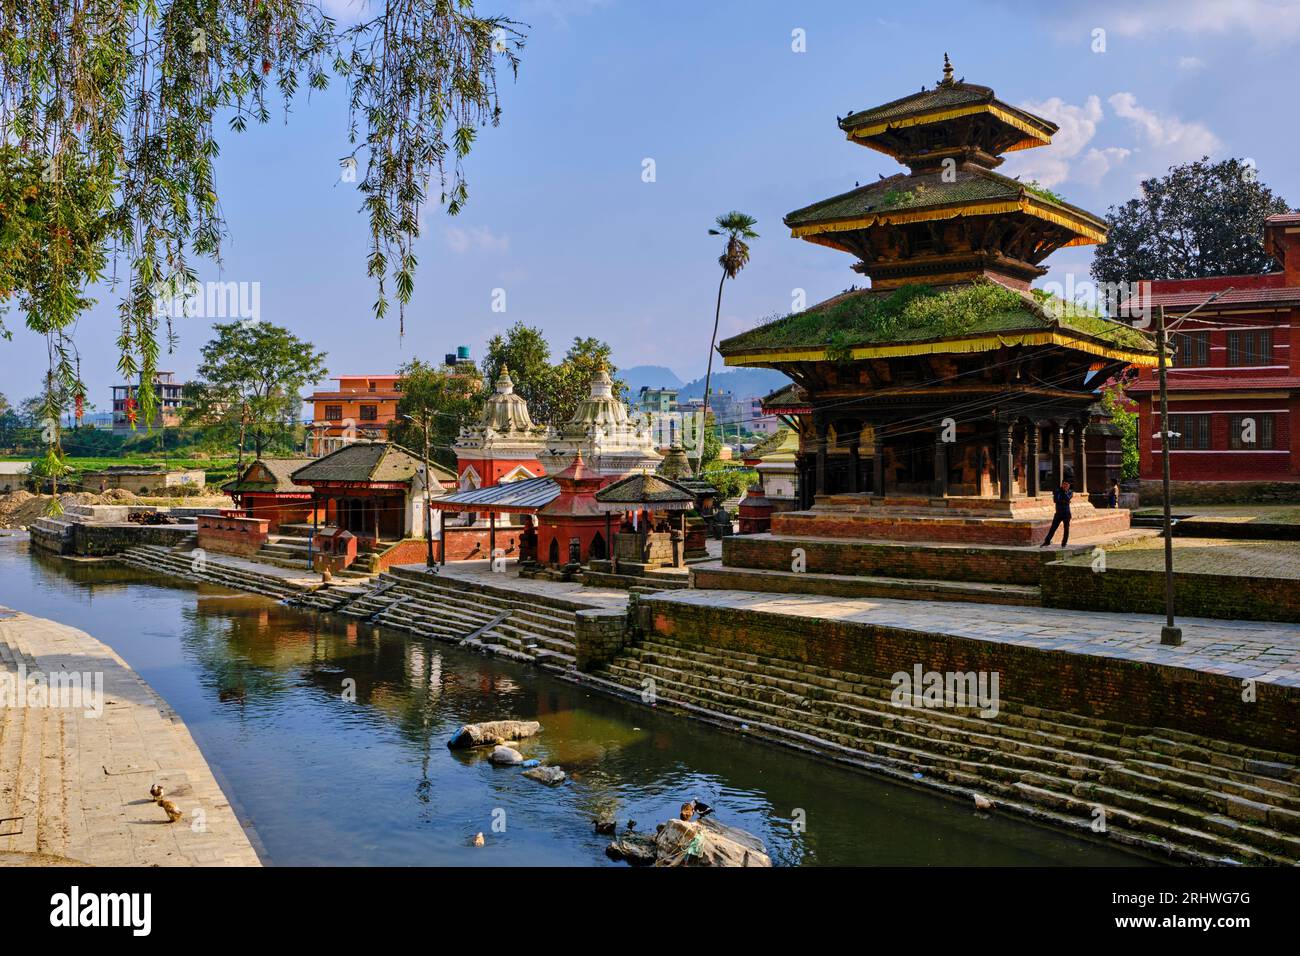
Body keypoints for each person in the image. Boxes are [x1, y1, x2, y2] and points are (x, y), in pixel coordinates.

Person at [1041, 479, 1073, 547]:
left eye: (1067, 485)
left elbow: (1068, 498)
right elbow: (1055, 500)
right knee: (1053, 528)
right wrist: (1065, 501)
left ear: (1069, 486)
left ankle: (1064, 543)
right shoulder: (1058, 491)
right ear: (1062, 484)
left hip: (1066, 513)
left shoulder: (1070, 492)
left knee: (1066, 529)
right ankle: (1047, 541)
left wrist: (1065, 494)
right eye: (1064, 484)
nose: (1065, 486)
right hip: (1058, 513)